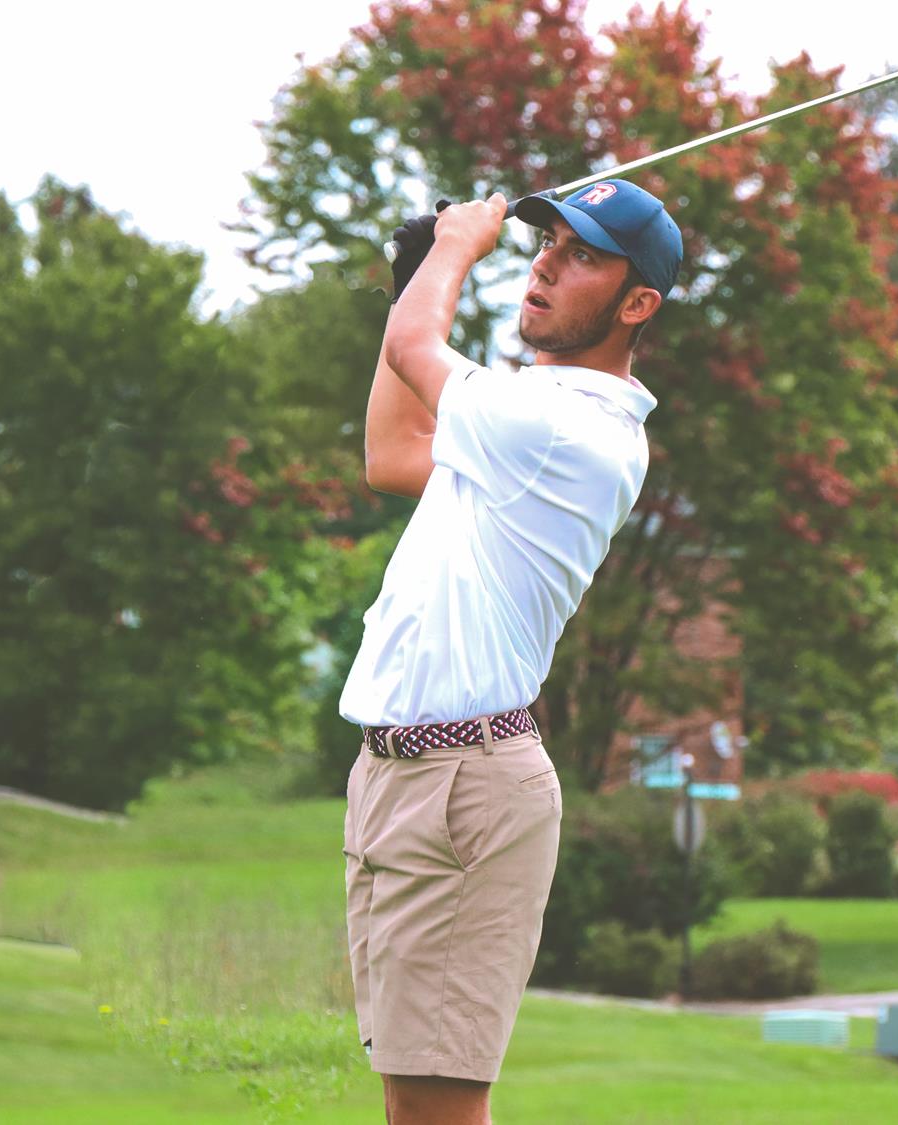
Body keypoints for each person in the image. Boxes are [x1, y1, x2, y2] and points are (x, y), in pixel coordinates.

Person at [339, 180, 684, 1125]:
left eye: (582, 256)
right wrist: (420, 273)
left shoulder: (565, 428)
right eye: (547, 242)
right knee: (414, 1099)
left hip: (464, 786)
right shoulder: (524, 411)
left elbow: (417, 349)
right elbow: (393, 450)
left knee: (440, 1105)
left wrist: (453, 249)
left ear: (637, 302)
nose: (543, 263)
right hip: (400, 777)